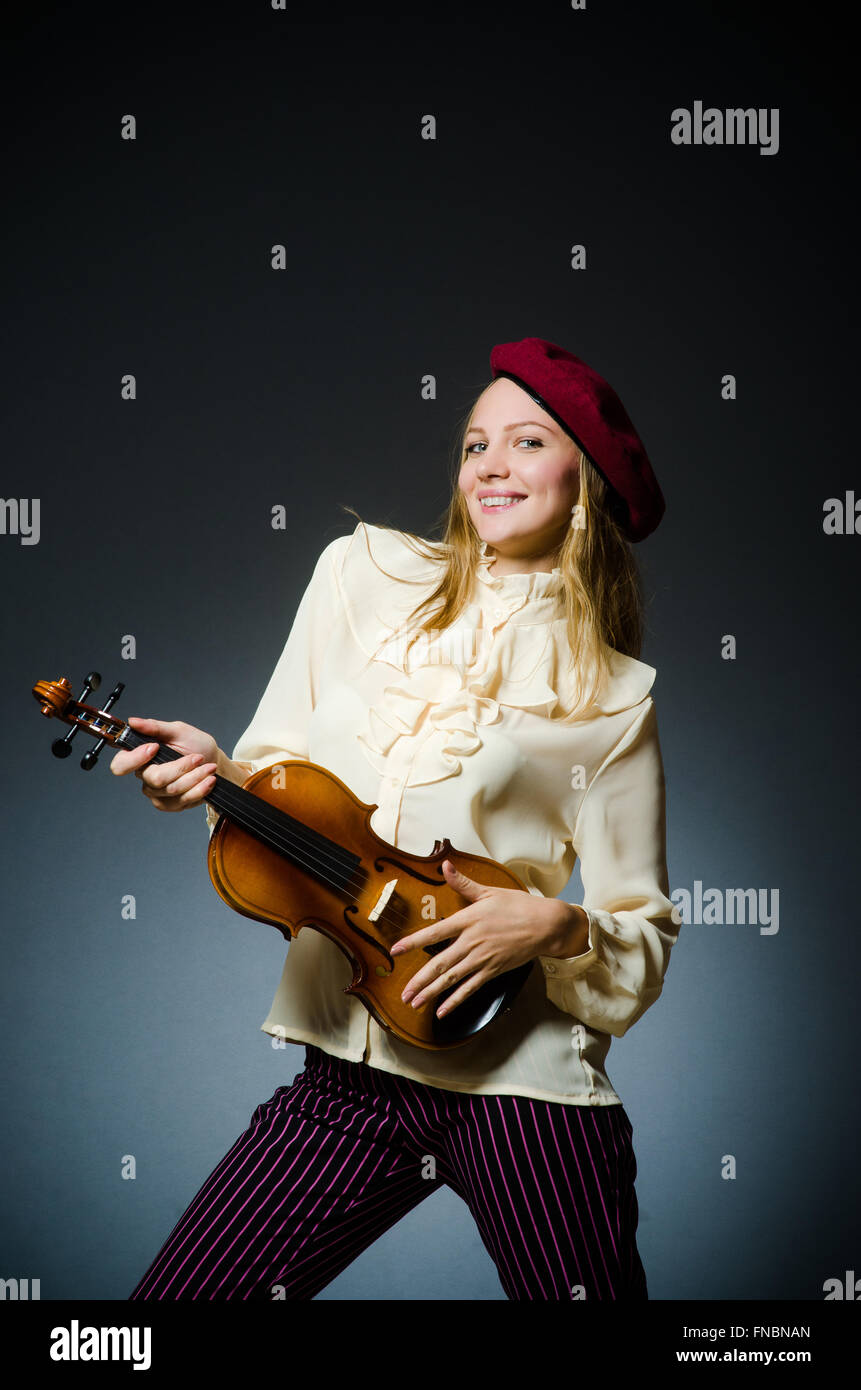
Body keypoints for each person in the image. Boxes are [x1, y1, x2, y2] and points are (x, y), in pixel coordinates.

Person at [115, 336, 677, 1302]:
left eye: (527, 443)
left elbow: (644, 927)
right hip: (350, 1068)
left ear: (582, 484)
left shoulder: (614, 696)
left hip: (523, 1089)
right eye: (474, 445)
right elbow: (282, 776)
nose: (492, 466)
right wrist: (217, 773)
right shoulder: (359, 575)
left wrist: (558, 923)